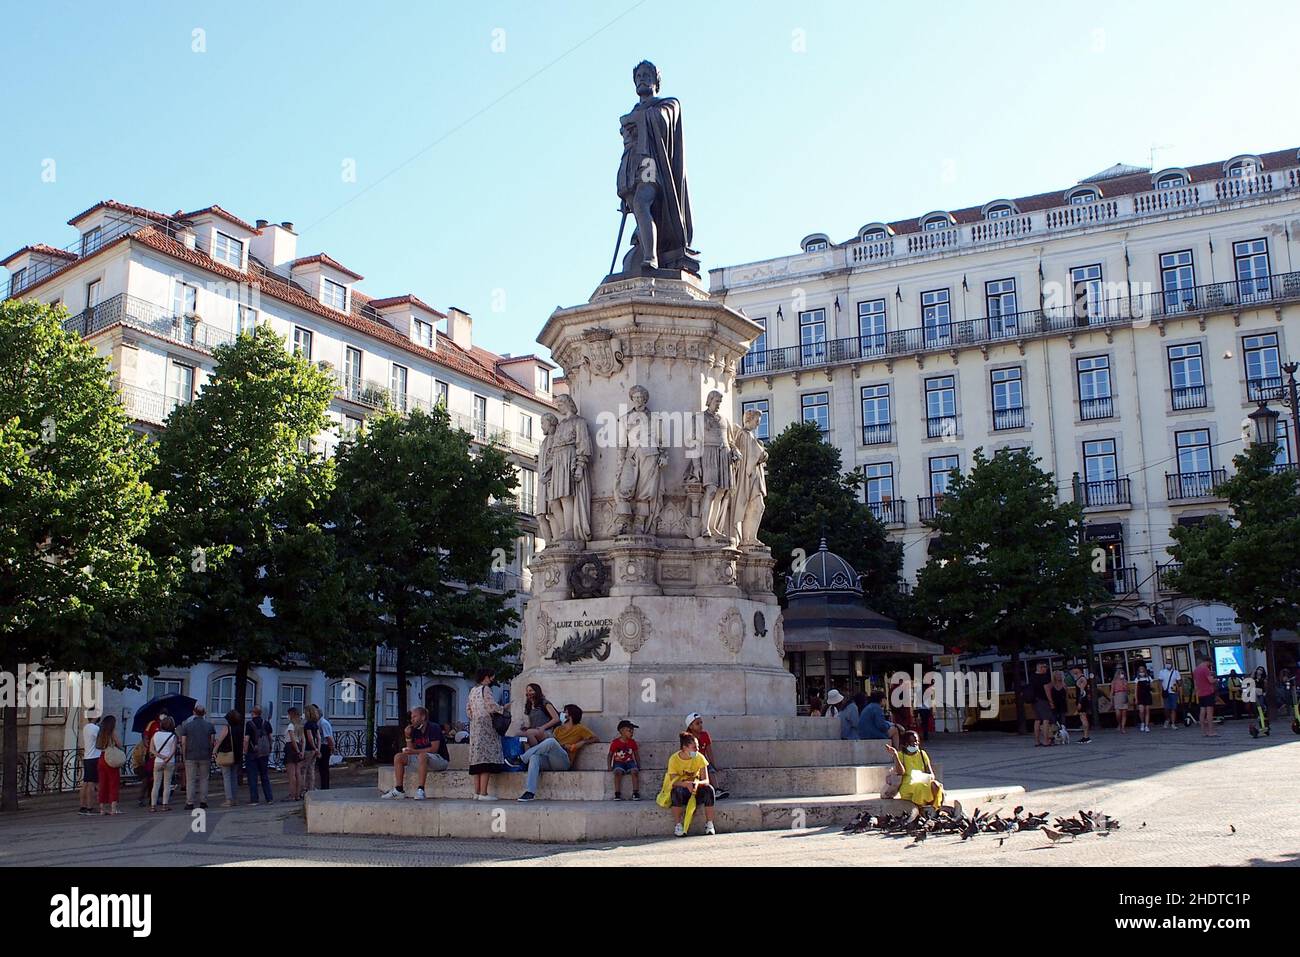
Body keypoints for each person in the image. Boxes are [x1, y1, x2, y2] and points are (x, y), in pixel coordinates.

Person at [512, 704, 597, 802]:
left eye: (565, 712)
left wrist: (580, 743)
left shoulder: (580, 728)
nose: (562, 714)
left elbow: (595, 738)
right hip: (551, 759)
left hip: (564, 761)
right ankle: (530, 792)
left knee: (551, 742)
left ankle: (521, 759)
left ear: (570, 715)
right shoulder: (558, 729)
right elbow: (553, 746)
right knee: (534, 757)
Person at [381, 706, 449, 799]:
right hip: (421, 759)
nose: (412, 720)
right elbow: (410, 750)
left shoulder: (433, 727)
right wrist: (408, 736)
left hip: (439, 760)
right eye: (412, 717)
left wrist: (414, 751)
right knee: (398, 757)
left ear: (423, 717)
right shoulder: (413, 730)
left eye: (415, 717)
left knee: (422, 756)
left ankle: (421, 790)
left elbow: (434, 749)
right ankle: (399, 789)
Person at [661, 731, 716, 837]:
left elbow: (706, 780)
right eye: (694, 747)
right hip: (682, 789)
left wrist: (696, 784)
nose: (697, 750)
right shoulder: (674, 759)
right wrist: (686, 784)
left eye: (698, 747)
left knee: (709, 789)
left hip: (695, 789)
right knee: (676, 791)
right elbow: (673, 781)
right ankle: (678, 825)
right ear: (684, 748)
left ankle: (709, 824)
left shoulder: (700, 757)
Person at [887, 731, 950, 814]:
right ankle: (921, 810)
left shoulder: (922, 754)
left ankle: (936, 809)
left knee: (936, 785)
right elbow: (900, 772)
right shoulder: (900, 755)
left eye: (917, 741)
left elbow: (931, 774)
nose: (916, 744)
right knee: (920, 787)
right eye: (913, 742)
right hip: (908, 786)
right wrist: (895, 755)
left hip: (922, 782)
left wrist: (927, 777)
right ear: (906, 744)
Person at [467, 668, 507, 800]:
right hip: (486, 726)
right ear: (487, 677)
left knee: (477, 760)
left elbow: (468, 710)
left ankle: (476, 792)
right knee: (486, 759)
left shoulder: (473, 691)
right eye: (492, 677)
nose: (493, 680)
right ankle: (484, 793)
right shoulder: (486, 689)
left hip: (475, 727)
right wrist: (503, 708)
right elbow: (491, 706)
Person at [179, 703, 215, 811]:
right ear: (204, 713)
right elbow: (212, 741)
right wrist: (210, 751)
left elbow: (184, 742)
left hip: (190, 755)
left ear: (194, 712)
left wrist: (184, 755)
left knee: (191, 779)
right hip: (205, 755)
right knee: (204, 779)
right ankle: (203, 801)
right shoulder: (209, 726)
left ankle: (190, 802)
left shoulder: (187, 726)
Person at [685, 713, 729, 799]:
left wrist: (713, 764)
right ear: (690, 726)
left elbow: (709, 752)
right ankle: (707, 792)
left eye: (701, 722)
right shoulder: (688, 737)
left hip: (703, 760)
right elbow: (687, 753)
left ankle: (716, 790)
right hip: (691, 761)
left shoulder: (705, 735)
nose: (700, 725)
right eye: (697, 723)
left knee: (710, 769)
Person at [243, 705, 274, 804]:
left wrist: (245, 751)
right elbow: (270, 738)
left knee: (253, 776)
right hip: (264, 753)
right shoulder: (266, 723)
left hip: (252, 752)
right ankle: (269, 798)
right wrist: (269, 748)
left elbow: (246, 739)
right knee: (264, 775)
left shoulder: (249, 724)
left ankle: (254, 799)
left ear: (253, 713)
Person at [214, 709, 243, 807]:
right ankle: (235, 798)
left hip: (227, 753)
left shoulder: (227, 728)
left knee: (226, 777)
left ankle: (229, 799)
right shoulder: (239, 728)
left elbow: (220, 740)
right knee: (234, 776)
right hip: (237, 754)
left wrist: (214, 750)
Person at [149, 716, 179, 811]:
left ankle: (153, 806)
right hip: (169, 762)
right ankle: (165, 805)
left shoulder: (155, 735)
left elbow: (151, 750)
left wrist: (161, 757)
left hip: (158, 761)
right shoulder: (173, 736)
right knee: (167, 784)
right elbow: (173, 750)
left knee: (156, 784)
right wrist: (167, 759)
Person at [520, 683, 561, 748]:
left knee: (530, 733)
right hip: (535, 730)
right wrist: (527, 728)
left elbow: (556, 719)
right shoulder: (529, 706)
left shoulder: (545, 703)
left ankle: (535, 751)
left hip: (547, 731)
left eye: (530, 691)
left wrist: (543, 727)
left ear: (536, 691)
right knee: (518, 734)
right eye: (527, 691)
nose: (528, 693)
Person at [95, 715, 122, 815]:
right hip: (110, 758)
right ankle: (113, 808)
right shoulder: (112, 733)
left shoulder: (101, 733)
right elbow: (120, 744)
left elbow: (98, 746)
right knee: (113, 783)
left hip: (102, 758)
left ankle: (102, 808)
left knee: (102, 784)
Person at [608, 719, 641, 800]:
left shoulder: (632, 742)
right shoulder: (615, 742)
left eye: (632, 731)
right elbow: (610, 755)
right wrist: (609, 766)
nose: (632, 732)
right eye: (629, 730)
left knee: (635, 772)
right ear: (622, 731)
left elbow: (636, 754)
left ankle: (635, 792)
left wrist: (638, 765)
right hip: (618, 762)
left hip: (630, 762)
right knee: (617, 773)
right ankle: (617, 793)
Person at [136, 708, 162, 808]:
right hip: (151, 754)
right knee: (148, 778)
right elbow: (146, 736)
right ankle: (141, 798)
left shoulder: (165, 725)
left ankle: (153, 798)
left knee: (157, 778)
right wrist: (148, 746)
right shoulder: (152, 724)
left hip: (160, 755)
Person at [79, 712, 101, 816]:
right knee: (92, 783)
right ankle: (90, 807)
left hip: (87, 756)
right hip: (95, 757)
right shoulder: (95, 728)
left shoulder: (86, 727)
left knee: (86, 782)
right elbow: (100, 741)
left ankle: (82, 806)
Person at [1030, 662, 1055, 747]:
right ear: (1040, 668)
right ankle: (1046, 740)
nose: (1046, 669)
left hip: (1034, 701)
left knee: (1037, 720)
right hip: (1043, 700)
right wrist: (1051, 701)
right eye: (1044, 667)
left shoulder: (1032, 676)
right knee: (1046, 719)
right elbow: (1047, 690)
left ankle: (1037, 741)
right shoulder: (1044, 677)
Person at [1192, 656, 1218, 737]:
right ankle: (1211, 731)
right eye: (1210, 664)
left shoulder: (1196, 670)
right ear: (1208, 662)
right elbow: (1210, 680)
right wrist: (1216, 680)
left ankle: (1203, 731)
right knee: (1209, 713)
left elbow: (1195, 683)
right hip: (1208, 692)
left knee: (1202, 712)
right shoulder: (1205, 669)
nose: (1210, 665)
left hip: (1200, 693)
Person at [284, 707, 305, 801]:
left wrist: (296, 750)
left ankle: (292, 794)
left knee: (291, 774)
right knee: (298, 773)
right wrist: (301, 751)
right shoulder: (300, 726)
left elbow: (292, 739)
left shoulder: (291, 726)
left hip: (291, 747)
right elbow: (303, 740)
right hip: (298, 746)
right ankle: (298, 794)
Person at [301, 704, 321, 795]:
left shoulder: (308, 725)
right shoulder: (315, 724)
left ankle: (304, 788)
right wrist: (318, 749)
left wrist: (313, 747)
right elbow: (319, 738)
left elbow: (310, 738)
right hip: (315, 749)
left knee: (304, 769)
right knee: (311, 769)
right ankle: (311, 788)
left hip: (309, 748)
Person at [1156, 660, 1182, 729]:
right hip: (1165, 691)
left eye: (1169, 663)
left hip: (1173, 691)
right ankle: (1167, 719)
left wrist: (1179, 684)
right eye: (1167, 663)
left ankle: (1173, 723)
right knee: (1166, 708)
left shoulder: (1176, 672)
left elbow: (1179, 682)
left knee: (1174, 708)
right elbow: (1160, 682)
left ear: (1172, 664)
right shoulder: (1162, 672)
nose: (1168, 665)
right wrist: (1161, 690)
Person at [1072, 667, 1093, 744]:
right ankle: (1085, 736)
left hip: (1082, 700)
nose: (1072, 670)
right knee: (1082, 717)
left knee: (1083, 717)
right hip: (1081, 700)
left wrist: (1080, 702)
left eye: (1073, 669)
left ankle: (1086, 736)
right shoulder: (1080, 678)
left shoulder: (1082, 679)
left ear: (1078, 669)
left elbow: (1082, 692)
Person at [315, 707, 334, 790]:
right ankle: (324, 785)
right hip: (324, 745)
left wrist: (332, 747)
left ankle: (325, 786)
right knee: (322, 768)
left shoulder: (323, 723)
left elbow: (328, 737)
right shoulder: (320, 722)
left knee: (324, 767)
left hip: (324, 746)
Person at [1134, 664, 1155, 733]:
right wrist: (1136, 698)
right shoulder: (1137, 679)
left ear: (1145, 671)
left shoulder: (1149, 678)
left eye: (1142, 670)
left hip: (1147, 695)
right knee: (1141, 711)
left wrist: (1151, 687)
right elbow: (1136, 690)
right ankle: (1142, 723)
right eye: (1140, 670)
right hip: (1140, 696)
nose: (1141, 672)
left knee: (1147, 711)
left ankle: (1146, 726)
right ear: (1138, 671)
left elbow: (1152, 687)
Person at [1050, 671, 1069, 743]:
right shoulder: (1052, 685)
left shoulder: (1064, 685)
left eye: (1060, 675)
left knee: (1063, 721)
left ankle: (1063, 737)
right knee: (1054, 721)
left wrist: (1067, 705)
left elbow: (1066, 696)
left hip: (1062, 704)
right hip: (1054, 704)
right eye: (1057, 675)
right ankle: (1054, 737)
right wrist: (1051, 703)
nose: (1059, 676)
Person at [1112, 668, 1130, 734]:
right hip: (1117, 696)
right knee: (1118, 713)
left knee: (1124, 713)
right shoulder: (1114, 682)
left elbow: (1128, 691)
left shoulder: (1125, 681)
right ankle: (1119, 724)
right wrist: (1111, 700)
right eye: (1120, 673)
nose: (1122, 675)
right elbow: (1112, 691)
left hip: (1124, 695)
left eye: (1122, 673)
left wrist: (1125, 685)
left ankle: (1123, 727)